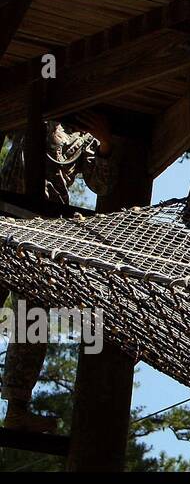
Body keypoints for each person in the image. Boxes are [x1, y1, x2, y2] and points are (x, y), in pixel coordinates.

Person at [0, 114, 114, 432]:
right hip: (5, 218)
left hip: (41, 234)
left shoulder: (84, 137)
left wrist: (104, 143)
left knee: (30, 323)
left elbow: (101, 183)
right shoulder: (32, 115)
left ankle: (17, 408)